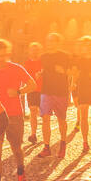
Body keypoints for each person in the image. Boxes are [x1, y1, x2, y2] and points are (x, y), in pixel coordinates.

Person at [0, 39, 35, 181]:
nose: (0, 59)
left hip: (14, 115)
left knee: (16, 148)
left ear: (8, 53)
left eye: (2, 55)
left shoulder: (17, 68)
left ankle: (20, 170)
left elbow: (33, 85)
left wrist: (18, 92)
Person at [37, 32, 73, 161]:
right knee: (45, 118)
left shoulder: (65, 56)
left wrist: (63, 71)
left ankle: (63, 143)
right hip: (46, 91)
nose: (49, 43)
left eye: (52, 41)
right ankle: (46, 147)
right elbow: (46, 69)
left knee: (61, 120)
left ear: (58, 42)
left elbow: (71, 73)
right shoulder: (44, 56)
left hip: (61, 91)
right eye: (48, 41)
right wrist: (41, 74)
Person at [23, 41, 44, 145]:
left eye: (37, 50)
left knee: (44, 114)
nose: (35, 52)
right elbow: (24, 77)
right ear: (29, 51)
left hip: (43, 90)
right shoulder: (27, 63)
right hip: (32, 90)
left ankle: (45, 133)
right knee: (33, 111)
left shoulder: (43, 62)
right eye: (33, 50)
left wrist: (42, 75)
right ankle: (33, 134)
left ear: (40, 51)